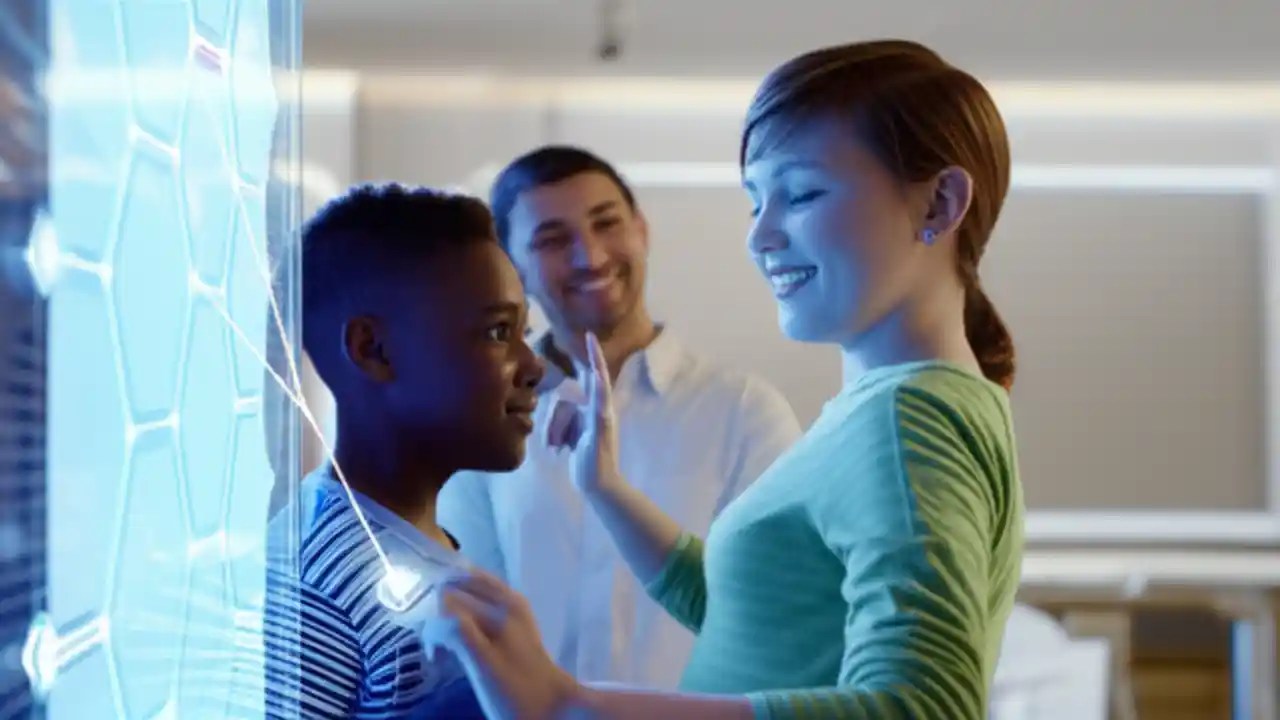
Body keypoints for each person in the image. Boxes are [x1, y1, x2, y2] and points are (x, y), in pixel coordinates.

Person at [432, 38, 1025, 720]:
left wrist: (570, 703)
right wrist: (605, 488)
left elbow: (923, 707)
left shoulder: (908, 420)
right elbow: (750, 613)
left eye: (801, 194)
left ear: (939, 204)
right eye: (755, 202)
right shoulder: (886, 409)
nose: (759, 236)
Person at [436, 146, 802, 689]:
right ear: (511, 268)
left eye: (606, 223)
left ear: (641, 230)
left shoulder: (745, 412)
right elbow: (467, 617)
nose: (589, 256)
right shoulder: (482, 421)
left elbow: (780, 614)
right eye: (553, 240)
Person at [261, 183, 544, 718]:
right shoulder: (316, 586)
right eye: (498, 332)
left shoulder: (411, 548)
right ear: (374, 350)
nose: (534, 366)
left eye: (522, 332)